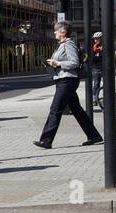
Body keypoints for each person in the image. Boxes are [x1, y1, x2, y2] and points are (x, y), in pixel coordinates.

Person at [34, 21, 103, 150]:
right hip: (63, 79)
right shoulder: (61, 45)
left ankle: (46, 140)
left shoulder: (68, 44)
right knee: (77, 110)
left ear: (63, 32)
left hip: (67, 80)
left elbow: (74, 62)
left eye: (56, 30)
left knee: (55, 109)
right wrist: (51, 63)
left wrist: (58, 63)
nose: (54, 32)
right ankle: (94, 135)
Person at [90, 32, 103, 105]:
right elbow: (92, 58)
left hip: (104, 67)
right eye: (95, 39)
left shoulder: (105, 46)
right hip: (96, 68)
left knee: (108, 83)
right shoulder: (93, 47)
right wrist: (97, 54)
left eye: (97, 39)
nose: (95, 40)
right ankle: (95, 99)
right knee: (96, 84)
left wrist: (99, 53)